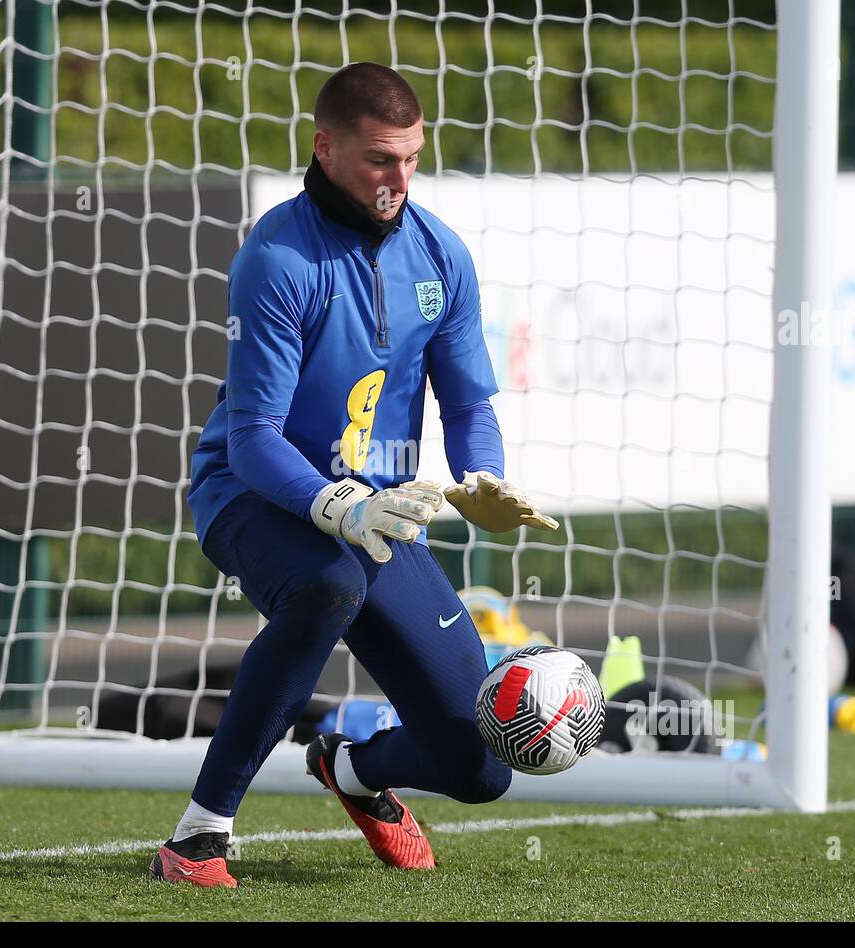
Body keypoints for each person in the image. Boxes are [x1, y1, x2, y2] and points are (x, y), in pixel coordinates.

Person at [151, 62, 557, 888]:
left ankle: (354, 769)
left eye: (411, 158)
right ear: (325, 147)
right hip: (257, 496)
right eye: (379, 159)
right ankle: (197, 838)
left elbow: (469, 408)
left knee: (484, 767)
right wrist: (335, 504)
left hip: (374, 517)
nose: (398, 179)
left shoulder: (441, 254)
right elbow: (255, 438)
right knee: (331, 583)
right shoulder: (277, 258)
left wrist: (482, 481)